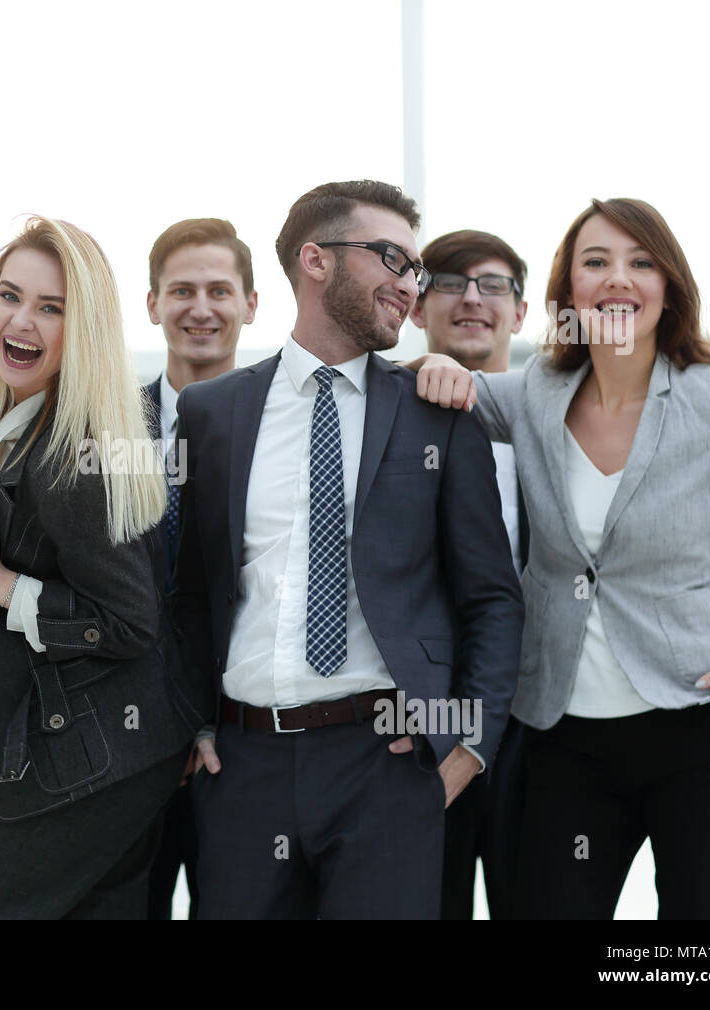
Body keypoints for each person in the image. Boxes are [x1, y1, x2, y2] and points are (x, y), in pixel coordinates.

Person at [415, 197, 710, 919]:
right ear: (569, 293)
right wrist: (435, 366)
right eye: (596, 262)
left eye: (640, 262)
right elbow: (430, 388)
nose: (619, 278)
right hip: (561, 745)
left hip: (696, 731)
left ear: (667, 286)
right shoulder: (531, 398)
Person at [172, 181, 524, 919]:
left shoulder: (438, 413)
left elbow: (491, 596)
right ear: (316, 261)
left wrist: (466, 746)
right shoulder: (210, 414)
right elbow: (188, 591)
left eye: (415, 270)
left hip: (386, 763)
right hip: (243, 765)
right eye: (392, 258)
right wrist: (191, 725)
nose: (409, 285)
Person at [0, 216, 198, 919]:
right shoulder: (39, 425)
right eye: (9, 297)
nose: (22, 320)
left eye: (52, 307)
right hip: (114, 758)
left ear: (88, 327)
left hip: (93, 767)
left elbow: (128, 622)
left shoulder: (74, 453)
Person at [409, 229, 530, 920]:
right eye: (449, 283)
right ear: (416, 306)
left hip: (544, 728)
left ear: (520, 312)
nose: (471, 299)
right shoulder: (386, 419)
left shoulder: (560, 418)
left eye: (492, 285)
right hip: (420, 727)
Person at [142, 217, 257, 920]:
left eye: (220, 290)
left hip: (249, 749)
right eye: (181, 290)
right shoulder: (105, 426)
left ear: (251, 303)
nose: (201, 308)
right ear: (152, 303)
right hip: (131, 747)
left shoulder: (289, 432)